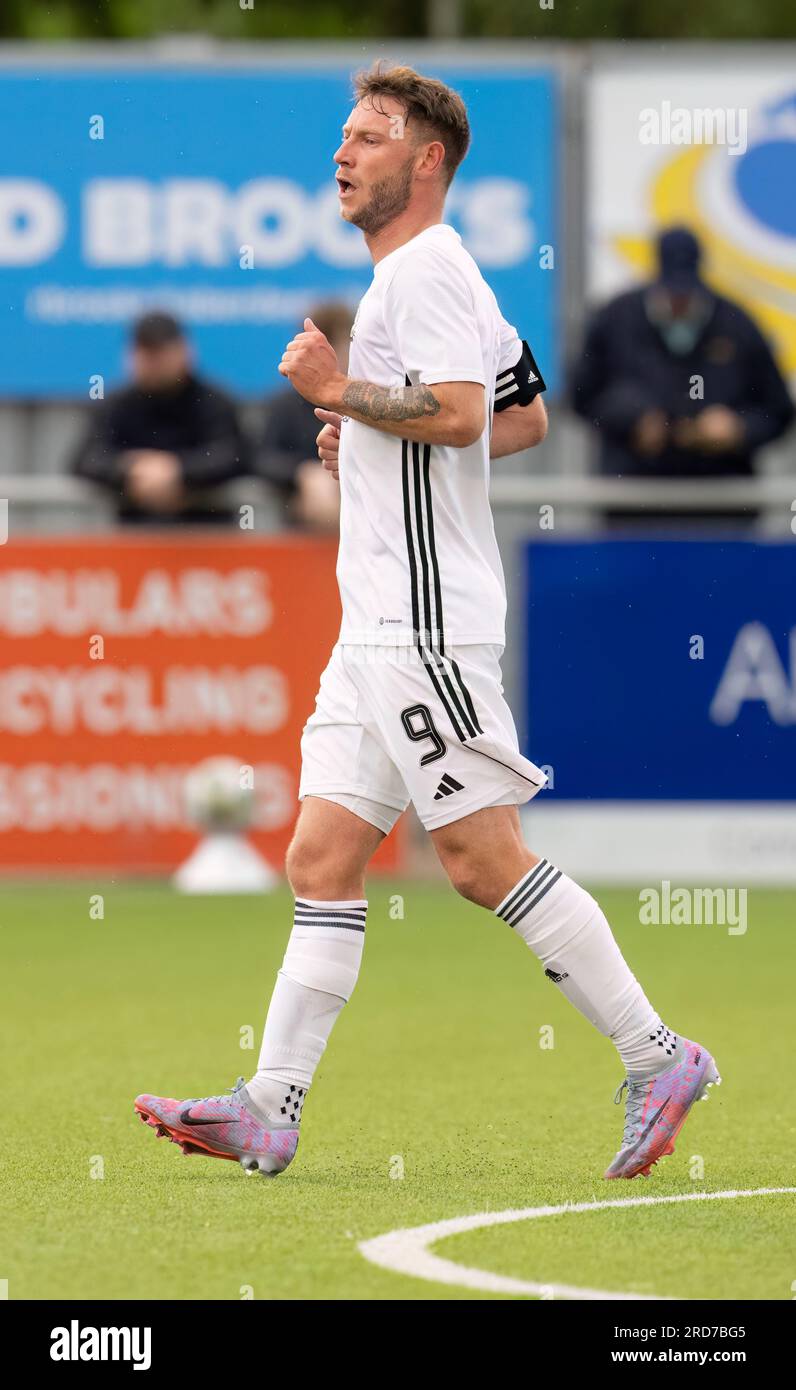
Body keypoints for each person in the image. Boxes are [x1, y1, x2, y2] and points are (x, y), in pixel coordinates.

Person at [135, 65, 720, 1183]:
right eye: (342, 136)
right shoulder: (438, 277)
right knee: (320, 854)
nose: (343, 154)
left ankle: (659, 1056)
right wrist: (367, 436)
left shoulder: (428, 271)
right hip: (374, 635)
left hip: (424, 624)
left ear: (428, 161)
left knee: (478, 858)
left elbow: (457, 415)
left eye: (367, 137)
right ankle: (268, 1106)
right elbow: (524, 416)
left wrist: (339, 391)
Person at [571, 226, 794, 526]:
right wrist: (633, 420)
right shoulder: (615, 319)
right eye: (673, 292)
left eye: (687, 293)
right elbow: (582, 397)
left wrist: (738, 429)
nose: (680, 302)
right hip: (633, 505)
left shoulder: (739, 324)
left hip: (722, 509)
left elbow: (777, 411)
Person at [70, 311, 250, 524]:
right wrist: (130, 469)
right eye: (146, 353)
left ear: (184, 351)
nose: (153, 363)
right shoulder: (115, 405)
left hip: (208, 539)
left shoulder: (215, 401)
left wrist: (178, 471)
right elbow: (85, 460)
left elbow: (235, 456)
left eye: (160, 352)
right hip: (136, 542)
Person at [259, 301, 352, 532]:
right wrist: (303, 473)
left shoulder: (371, 400)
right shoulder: (285, 405)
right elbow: (263, 459)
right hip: (300, 518)